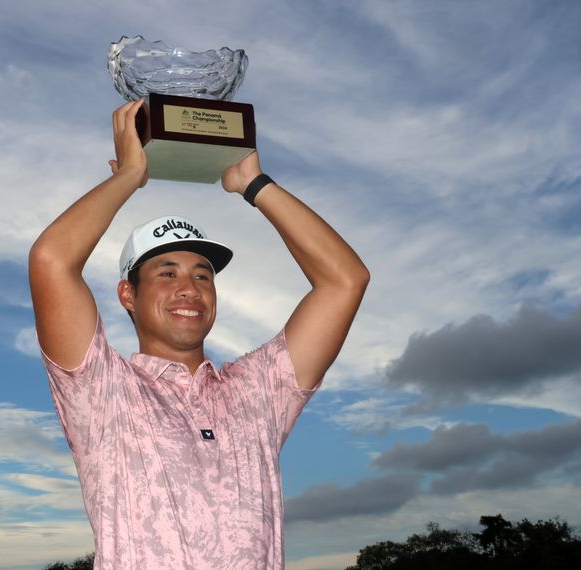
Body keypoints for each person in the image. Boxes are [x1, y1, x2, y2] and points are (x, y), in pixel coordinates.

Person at [29, 99, 369, 569]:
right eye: (166, 273)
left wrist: (253, 183)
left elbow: (345, 280)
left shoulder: (257, 390)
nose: (189, 288)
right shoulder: (102, 392)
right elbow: (51, 260)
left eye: (203, 275)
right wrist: (128, 174)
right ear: (128, 294)